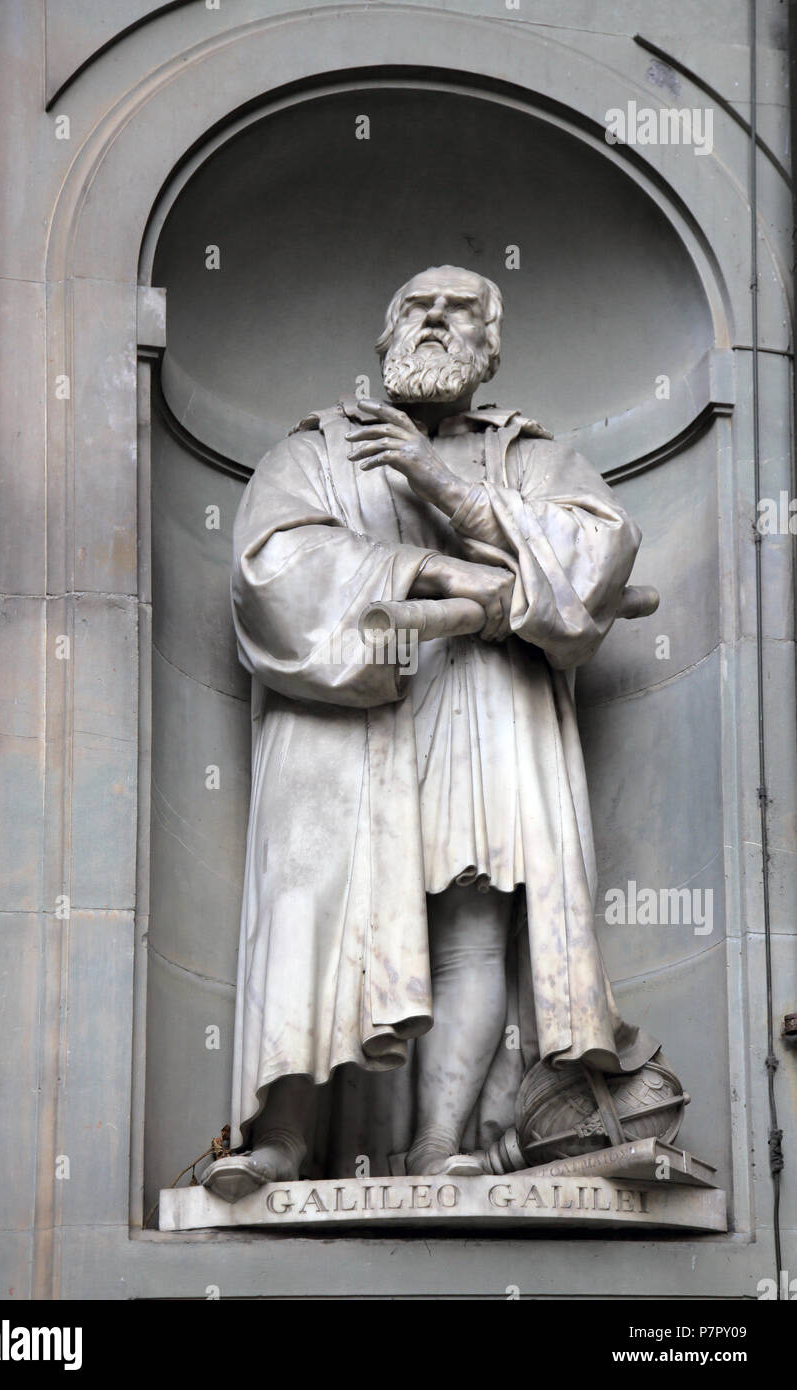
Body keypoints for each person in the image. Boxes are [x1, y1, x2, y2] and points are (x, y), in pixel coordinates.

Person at [204, 265, 657, 1201]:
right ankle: (282, 1134)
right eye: (419, 306)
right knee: (311, 907)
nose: (438, 320)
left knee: (474, 923)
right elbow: (270, 571)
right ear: (386, 335)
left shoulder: (530, 456)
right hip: (345, 713)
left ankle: (437, 1143)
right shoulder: (317, 450)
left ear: (491, 346)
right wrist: (434, 573)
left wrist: (438, 484)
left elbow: (597, 555)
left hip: (487, 699)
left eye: (461, 310)